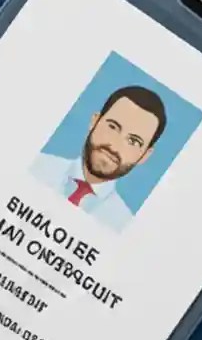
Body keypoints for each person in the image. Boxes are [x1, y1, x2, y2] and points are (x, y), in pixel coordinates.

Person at [30, 86, 167, 232]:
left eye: (133, 141)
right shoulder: (36, 165)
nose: (114, 145)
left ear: (144, 155)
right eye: (113, 127)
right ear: (94, 121)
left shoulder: (122, 226)